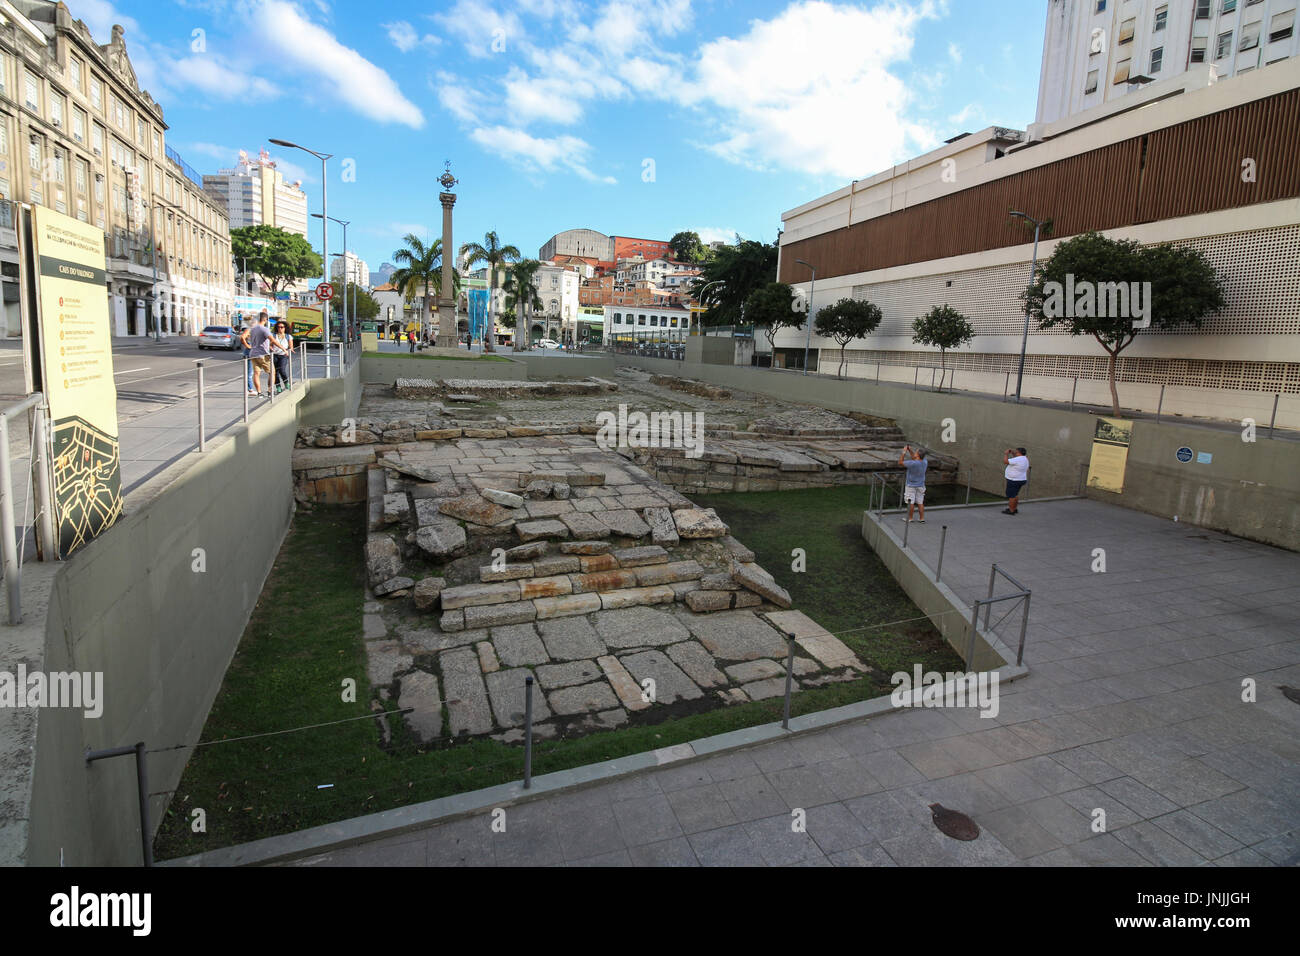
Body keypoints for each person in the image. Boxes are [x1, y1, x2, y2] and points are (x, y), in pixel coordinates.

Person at [241, 313, 284, 397]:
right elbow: (273, 340)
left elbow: (243, 337)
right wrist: (283, 349)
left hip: (253, 353)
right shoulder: (264, 329)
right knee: (272, 372)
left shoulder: (252, 329)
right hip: (263, 354)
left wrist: (248, 346)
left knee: (256, 373)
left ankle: (259, 393)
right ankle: (269, 391)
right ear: (265, 319)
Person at [899, 444, 928, 523]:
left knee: (910, 502)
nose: (915, 453)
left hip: (911, 485)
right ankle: (922, 518)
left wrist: (904, 452)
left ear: (918, 455)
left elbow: (900, 462)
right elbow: (914, 457)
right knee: (920, 502)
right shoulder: (925, 462)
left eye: (916, 452)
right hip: (921, 485)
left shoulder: (913, 463)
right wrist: (910, 450)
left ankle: (910, 518)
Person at [1003, 446, 1030, 515]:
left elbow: (1005, 461)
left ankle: (1011, 510)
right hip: (1021, 479)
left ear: (1018, 452)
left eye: (1016, 451)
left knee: (1011, 496)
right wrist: (1013, 453)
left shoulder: (1018, 459)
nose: (1014, 452)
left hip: (1014, 480)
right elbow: (1016, 458)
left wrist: (1006, 454)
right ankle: (1014, 508)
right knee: (1015, 495)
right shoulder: (1025, 458)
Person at [271, 320, 294, 393]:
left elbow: (291, 346)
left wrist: (290, 350)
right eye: (278, 327)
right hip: (274, 355)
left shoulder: (288, 336)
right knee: (275, 372)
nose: (280, 328)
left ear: (285, 328)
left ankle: (286, 382)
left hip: (283, 355)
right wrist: (271, 348)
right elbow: (270, 345)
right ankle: (278, 386)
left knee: (282, 370)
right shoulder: (273, 335)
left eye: (282, 327)